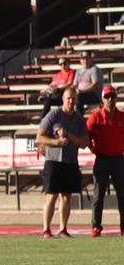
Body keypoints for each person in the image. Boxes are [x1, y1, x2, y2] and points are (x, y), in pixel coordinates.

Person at [36, 87, 90, 238]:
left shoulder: (79, 119)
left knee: (66, 196)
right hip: (53, 161)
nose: (71, 101)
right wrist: (56, 142)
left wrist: (69, 136)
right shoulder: (54, 114)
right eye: (68, 99)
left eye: (73, 98)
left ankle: (63, 229)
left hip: (70, 162)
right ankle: (46, 229)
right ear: (63, 99)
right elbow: (39, 137)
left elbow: (85, 142)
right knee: (51, 196)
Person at [87, 86, 124, 237]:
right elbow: (86, 136)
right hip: (102, 159)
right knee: (98, 195)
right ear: (102, 99)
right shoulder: (95, 116)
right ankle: (96, 226)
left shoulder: (122, 116)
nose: (110, 99)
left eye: (112, 96)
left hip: (118, 159)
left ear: (116, 98)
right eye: (107, 97)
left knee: (123, 195)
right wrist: (92, 149)